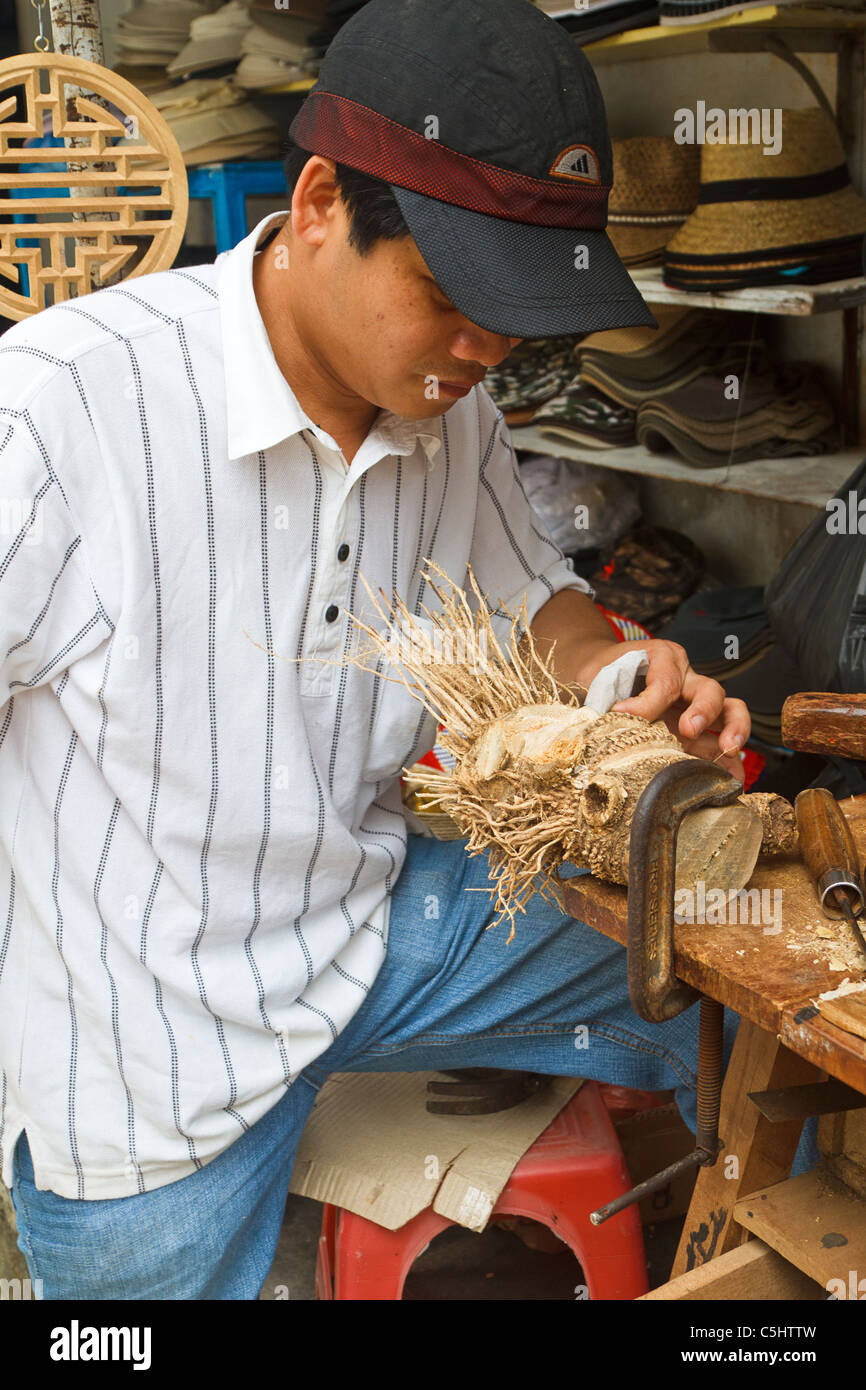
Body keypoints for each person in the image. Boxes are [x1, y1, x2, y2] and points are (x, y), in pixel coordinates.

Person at [2, 0, 751, 1299]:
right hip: (144, 1046)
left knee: (728, 931)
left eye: (516, 316)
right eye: (456, 296)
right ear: (313, 205)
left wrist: (624, 690)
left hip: (373, 926)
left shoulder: (443, 404)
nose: (487, 349)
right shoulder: (63, 405)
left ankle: (752, 1239)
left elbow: (533, 599)